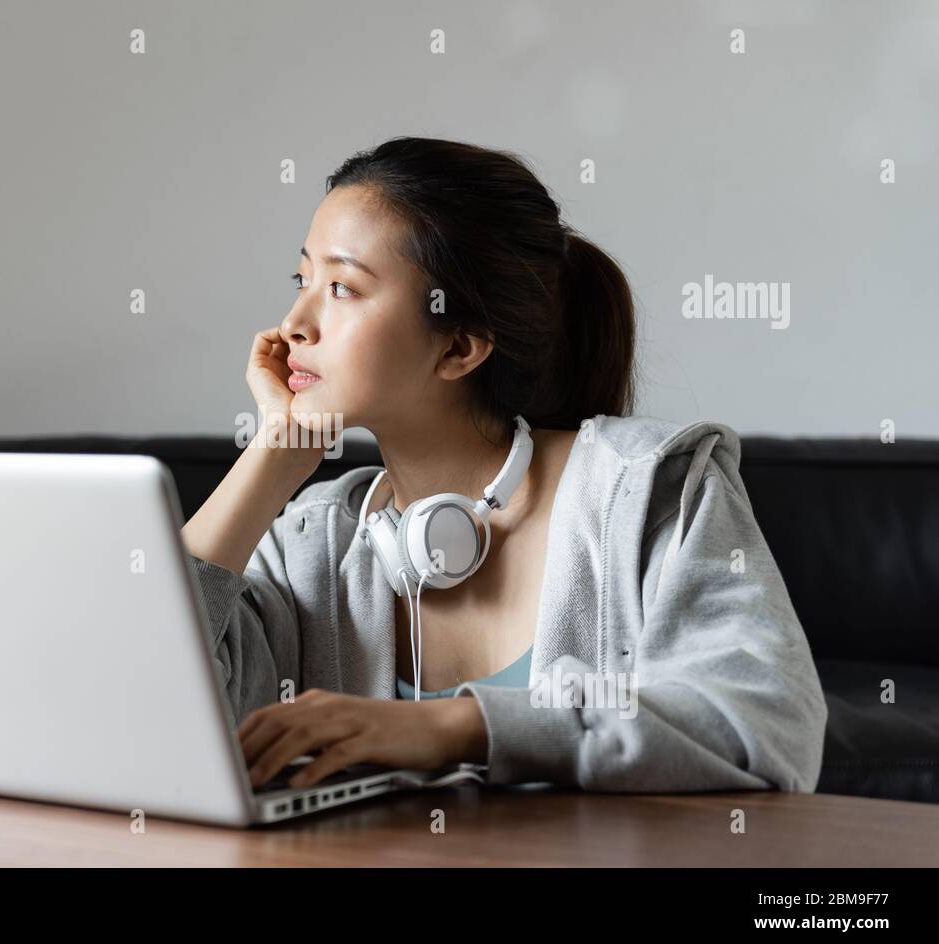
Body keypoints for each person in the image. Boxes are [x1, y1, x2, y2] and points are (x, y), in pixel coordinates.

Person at [180, 136, 827, 795]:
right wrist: (270, 458)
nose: (294, 322)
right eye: (303, 279)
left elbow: (769, 725)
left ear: (458, 346)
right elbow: (137, 703)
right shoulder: (316, 544)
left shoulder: (646, 492)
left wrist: (461, 727)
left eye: (342, 287)